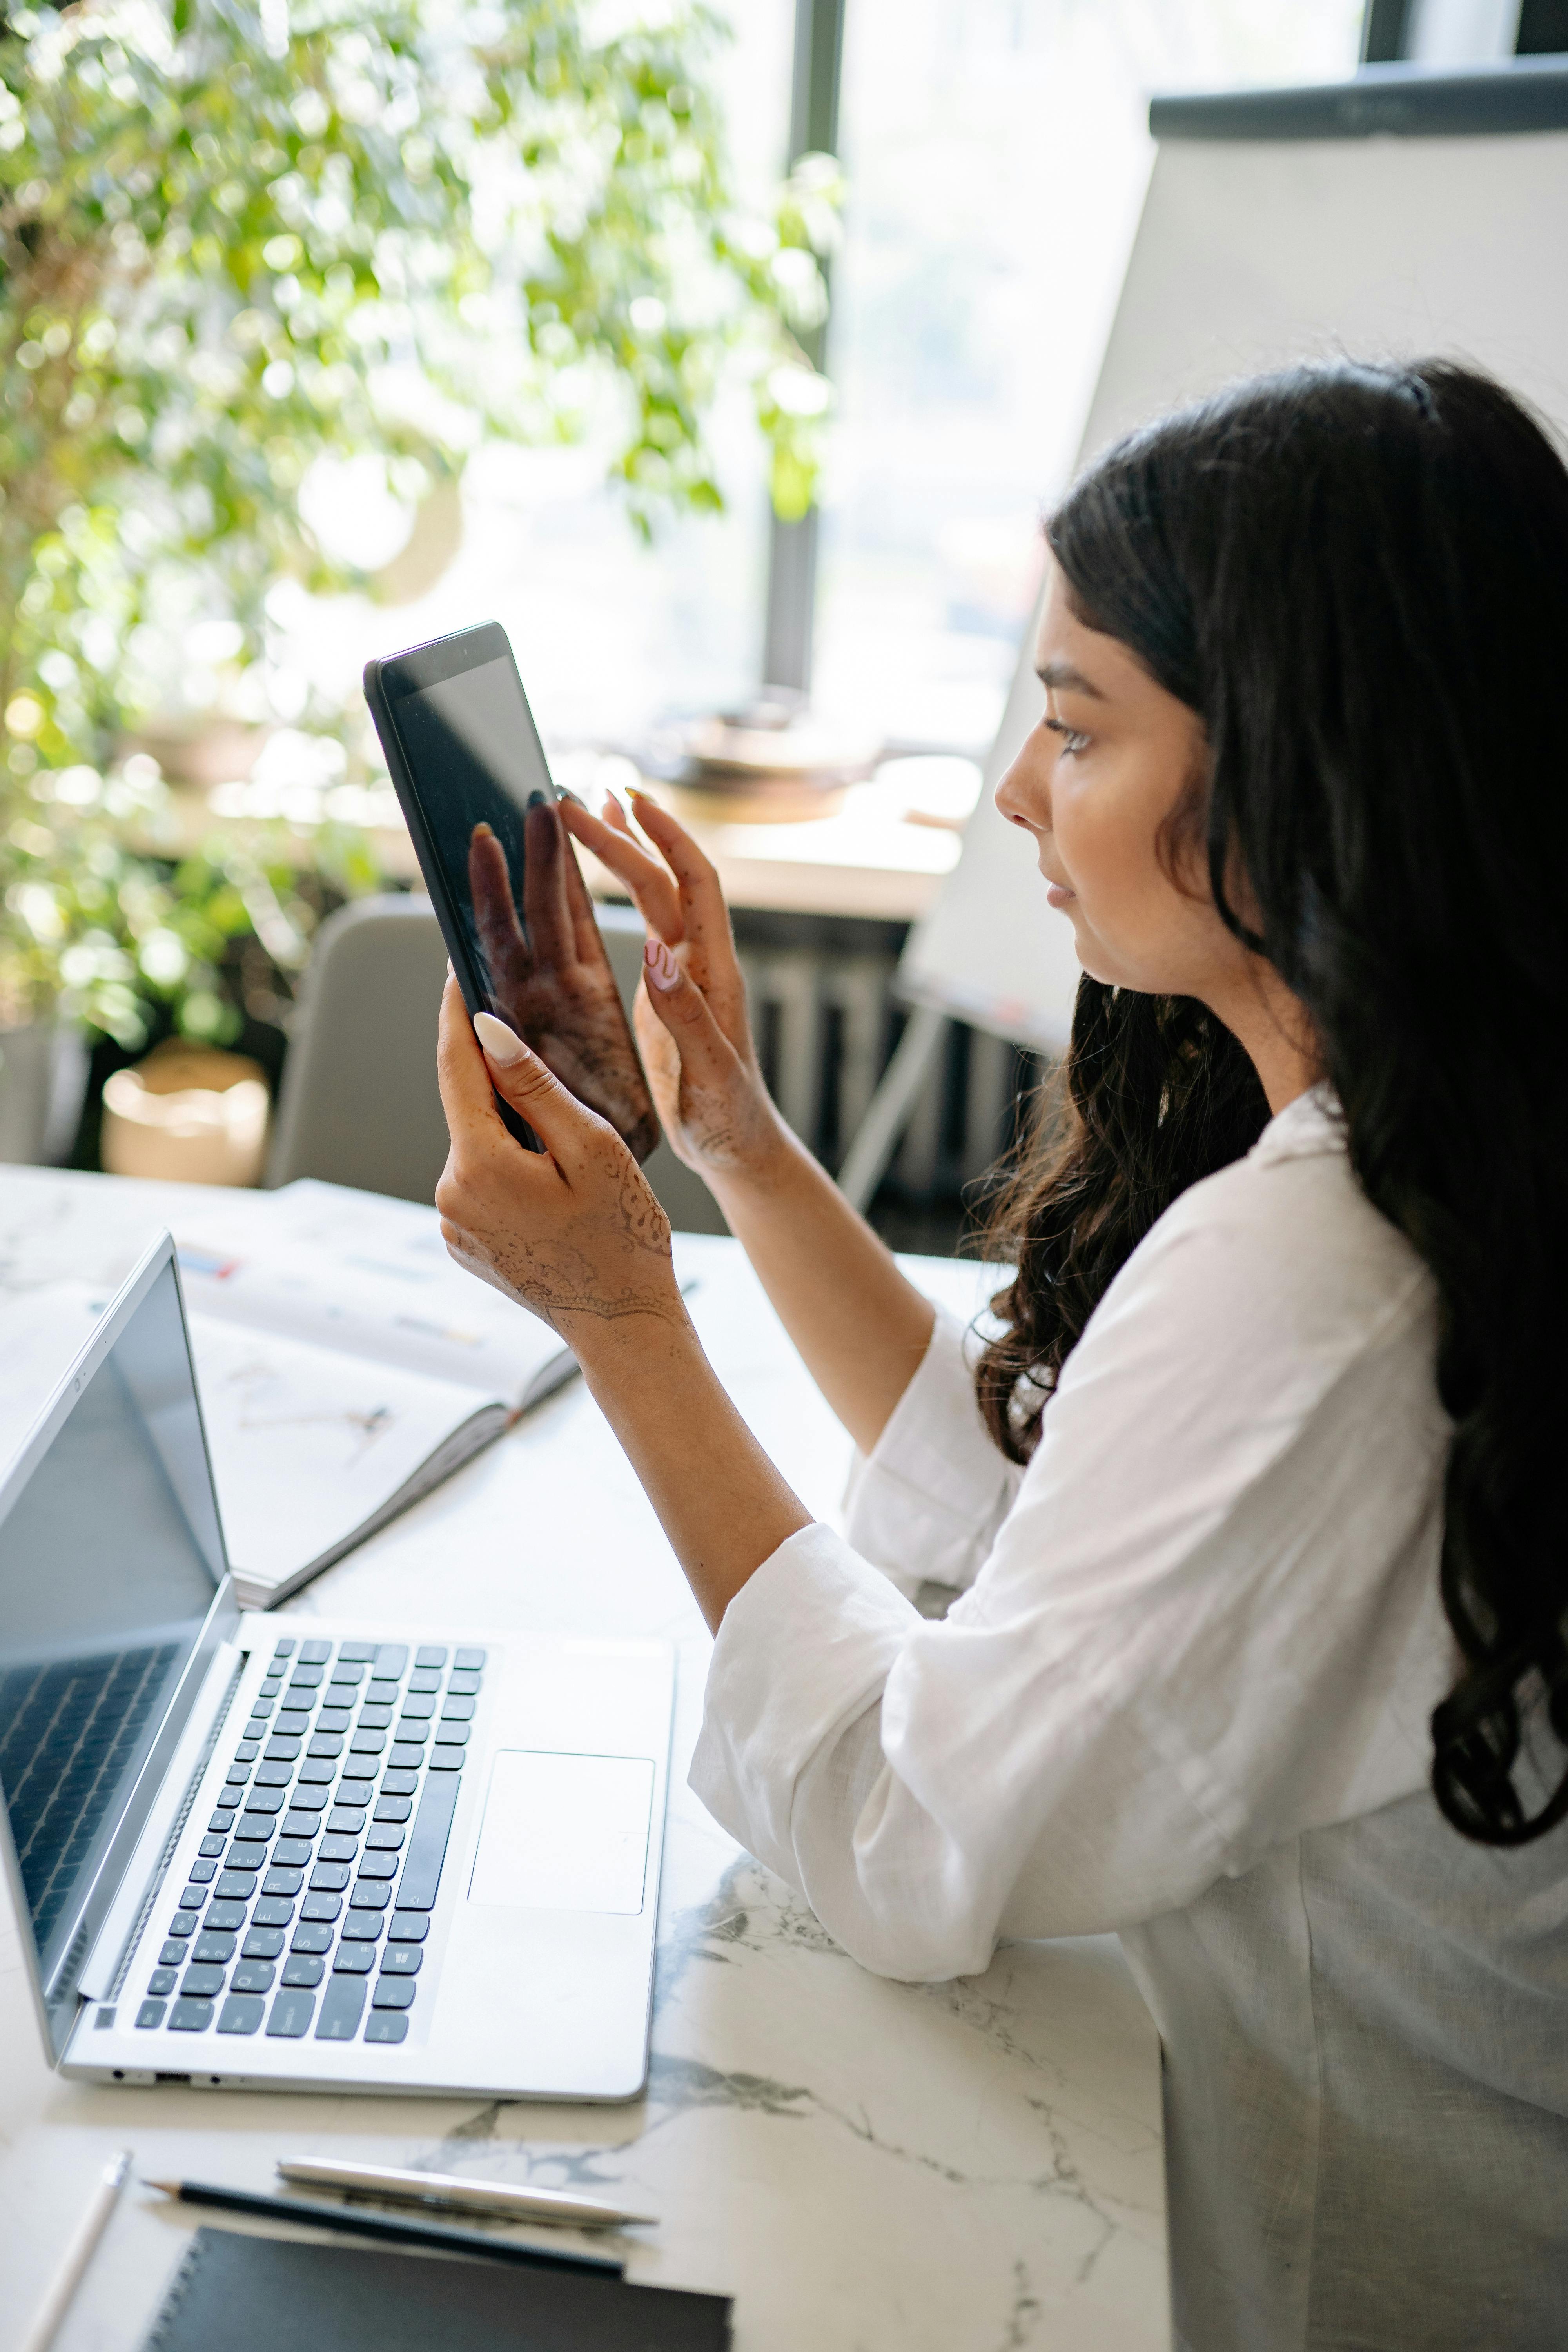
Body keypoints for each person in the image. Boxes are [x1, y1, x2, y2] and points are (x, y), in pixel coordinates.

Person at [432, 358, 1568, 2350]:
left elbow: (902, 1829)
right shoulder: (1439, 1156)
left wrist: (622, 1318)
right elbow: (1063, 1503)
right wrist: (733, 1151)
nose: (1018, 794)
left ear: (1303, 767)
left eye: (1075, 727)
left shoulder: (1320, 1266)